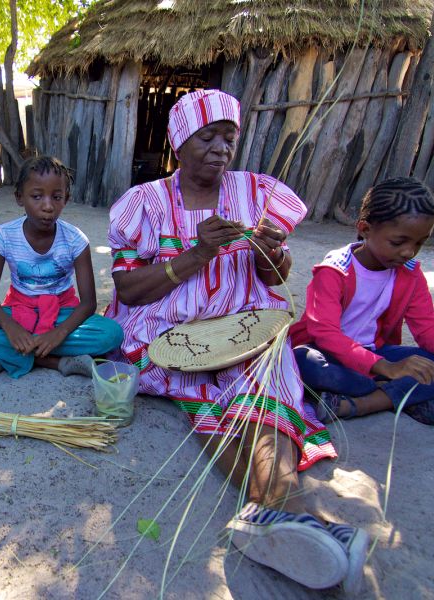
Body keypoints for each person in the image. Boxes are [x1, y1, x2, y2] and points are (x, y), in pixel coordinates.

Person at [107, 89, 366, 591]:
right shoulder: (145, 203)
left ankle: (279, 511)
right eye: (207, 136)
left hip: (248, 324)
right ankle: (299, 515)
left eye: (229, 137)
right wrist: (198, 254)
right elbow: (129, 290)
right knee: (206, 393)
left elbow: (275, 277)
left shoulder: (258, 193)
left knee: (263, 387)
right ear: (179, 141)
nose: (221, 148)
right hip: (171, 329)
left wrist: (273, 254)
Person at [290, 177, 434, 425]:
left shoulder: (410, 273)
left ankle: (360, 403)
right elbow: (326, 335)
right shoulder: (334, 271)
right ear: (365, 229)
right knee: (303, 362)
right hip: (330, 355)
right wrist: (387, 368)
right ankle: (398, 395)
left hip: (377, 353)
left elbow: (429, 331)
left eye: (419, 243)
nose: (409, 251)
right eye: (398, 242)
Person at [0, 156, 123, 379]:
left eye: (56, 197)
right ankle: (55, 362)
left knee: (112, 334)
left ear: (66, 199)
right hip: (18, 311)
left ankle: (5, 354)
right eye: (37, 196)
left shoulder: (76, 240)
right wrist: (10, 327)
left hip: (61, 312)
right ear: (19, 197)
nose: (48, 206)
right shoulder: (4, 236)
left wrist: (59, 333)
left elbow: (88, 303)